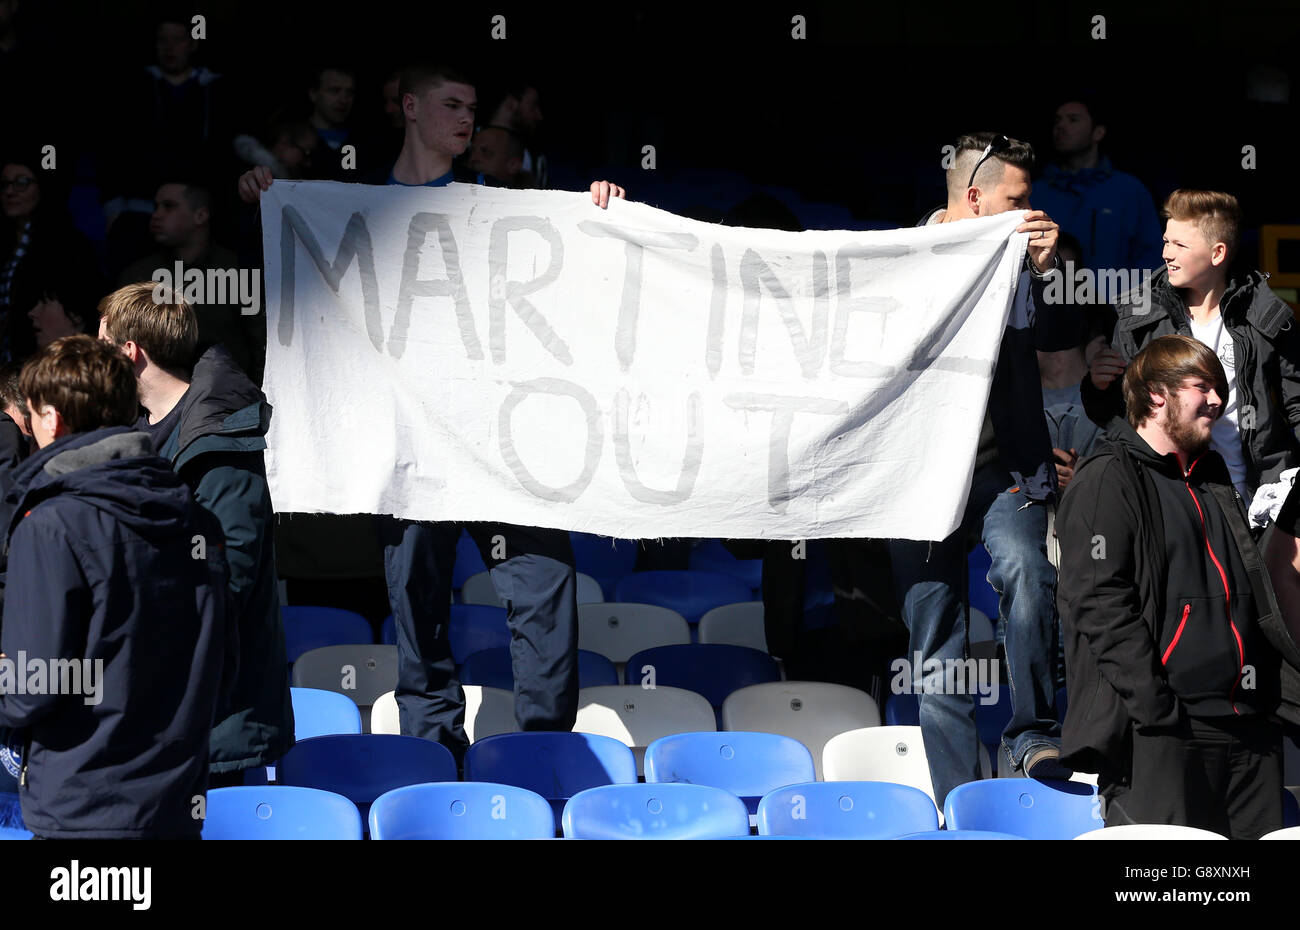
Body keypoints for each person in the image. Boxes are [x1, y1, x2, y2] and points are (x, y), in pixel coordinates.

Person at [236, 61, 623, 763]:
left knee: (543, 577)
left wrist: (596, 209)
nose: (466, 119)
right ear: (410, 108)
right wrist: (265, 197)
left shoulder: (501, 201)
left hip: (503, 439)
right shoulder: (349, 203)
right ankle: (433, 749)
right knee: (417, 596)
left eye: (473, 107)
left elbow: (573, 277)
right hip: (411, 438)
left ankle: (544, 744)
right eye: (451, 105)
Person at [888, 132, 1077, 806]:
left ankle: (1032, 740)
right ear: (975, 197)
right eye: (1017, 200)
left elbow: (1059, 344)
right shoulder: (894, 260)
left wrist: (1052, 275)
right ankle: (959, 799)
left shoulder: (1029, 258)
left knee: (1029, 574)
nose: (1032, 213)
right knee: (937, 640)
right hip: (917, 480)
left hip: (1004, 472)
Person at [1058, 334, 1300, 839]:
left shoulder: (1211, 475)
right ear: (1155, 395)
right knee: (1166, 892)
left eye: (1218, 386)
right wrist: (1156, 709)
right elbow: (1099, 603)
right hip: (1166, 734)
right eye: (1201, 386)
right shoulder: (1108, 478)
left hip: (1248, 726)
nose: (1216, 399)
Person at [0, 334, 234, 838]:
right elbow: (223, 662)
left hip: (84, 809)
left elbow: (29, 688)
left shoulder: (51, 524)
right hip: (174, 801)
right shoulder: (198, 520)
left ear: (51, 418)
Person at [98, 282, 293, 786]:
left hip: (212, 714)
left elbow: (228, 579)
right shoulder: (137, 433)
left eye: (100, 346)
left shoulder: (217, 439)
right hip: (156, 704)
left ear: (129, 351)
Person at [1082, 190, 1300, 505]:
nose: (1166, 254)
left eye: (1180, 245)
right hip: (1171, 499)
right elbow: (1119, 419)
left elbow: (1296, 404)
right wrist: (1098, 388)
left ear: (1218, 253)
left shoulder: (1266, 314)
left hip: (1261, 498)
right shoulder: (1138, 315)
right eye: (1166, 242)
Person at [119, 181, 266, 382]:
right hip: (157, 403)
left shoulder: (237, 271)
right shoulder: (139, 275)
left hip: (232, 399)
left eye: (169, 206)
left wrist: (258, 400)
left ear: (201, 215)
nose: (157, 214)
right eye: (156, 207)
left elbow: (262, 343)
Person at [1030, 97, 1163, 275]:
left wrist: (1124, 298)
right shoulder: (1035, 192)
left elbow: (1152, 257)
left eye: (1073, 119)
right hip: (1048, 299)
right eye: (1057, 120)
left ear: (1098, 132)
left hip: (1115, 300)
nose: (1061, 126)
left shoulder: (1129, 190)